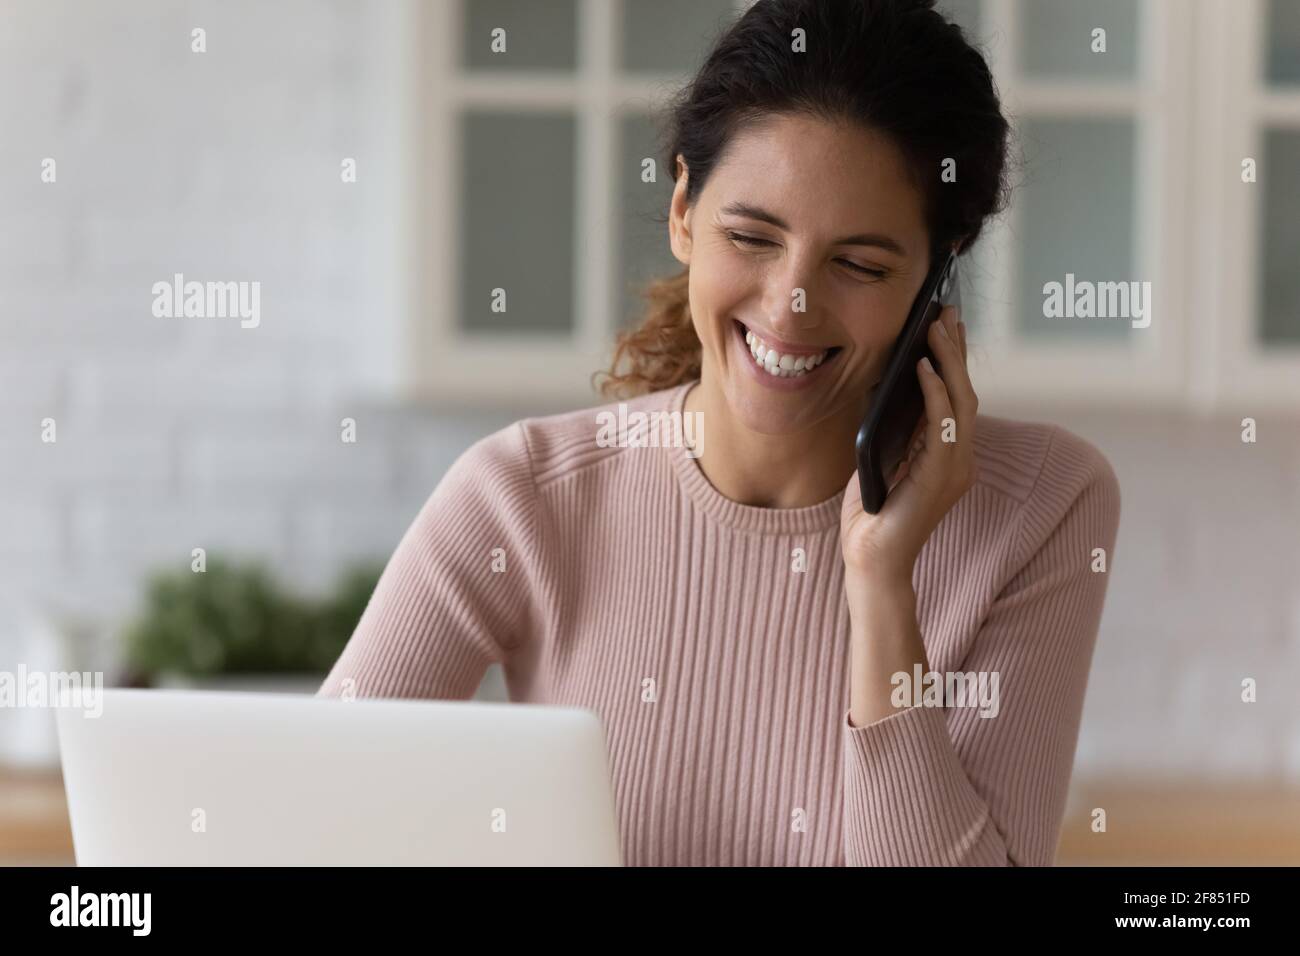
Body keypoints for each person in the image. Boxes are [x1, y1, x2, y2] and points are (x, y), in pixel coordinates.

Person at [318, 0, 1121, 866]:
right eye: (750, 236)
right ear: (682, 212)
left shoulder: (1044, 504)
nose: (791, 305)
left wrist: (883, 582)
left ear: (937, 274)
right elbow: (309, 821)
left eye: (859, 264)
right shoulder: (523, 494)